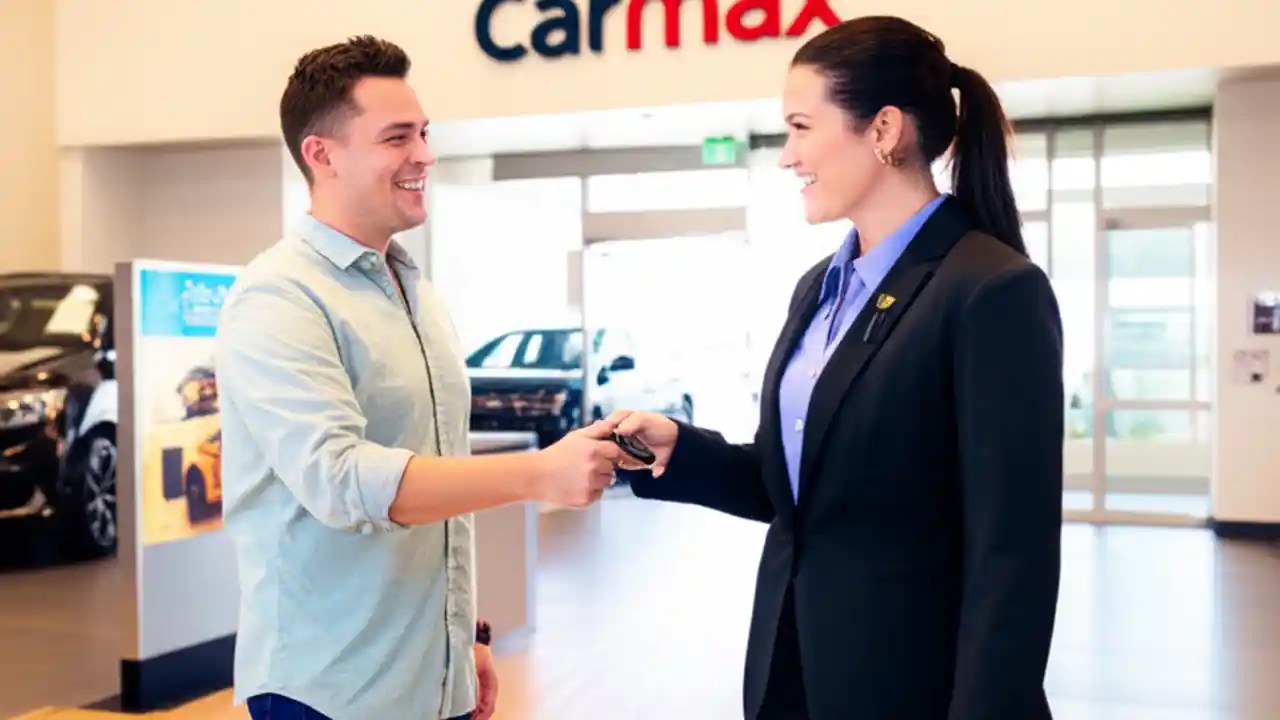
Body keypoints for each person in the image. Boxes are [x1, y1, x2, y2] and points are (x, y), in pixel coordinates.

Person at [610, 16, 1064, 720]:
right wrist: (682, 449)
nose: (788, 156)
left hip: (915, 685)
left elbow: (1014, 556)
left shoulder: (990, 288)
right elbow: (806, 488)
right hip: (793, 672)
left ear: (883, 131)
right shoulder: (820, 285)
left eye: (800, 126)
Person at [216, 36, 625, 720]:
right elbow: (343, 479)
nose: (426, 156)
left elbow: (436, 481)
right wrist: (536, 474)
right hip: (330, 690)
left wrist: (466, 630)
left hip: (436, 680)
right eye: (397, 137)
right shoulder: (277, 296)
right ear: (322, 155)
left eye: (425, 134)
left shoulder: (415, 291)